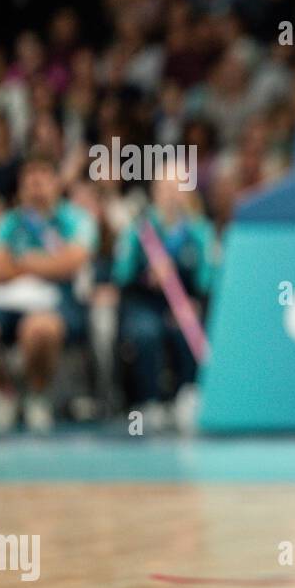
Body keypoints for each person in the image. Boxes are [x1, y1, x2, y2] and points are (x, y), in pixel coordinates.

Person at [0, 155, 97, 433]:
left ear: (56, 182)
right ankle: (3, 389)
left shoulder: (75, 219)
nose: (36, 183)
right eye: (29, 178)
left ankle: (36, 393)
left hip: (58, 298)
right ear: (20, 186)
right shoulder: (8, 222)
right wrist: (45, 263)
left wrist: (22, 262)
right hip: (8, 298)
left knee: (39, 329)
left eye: (43, 175)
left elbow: (72, 262)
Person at [112, 171, 217, 432]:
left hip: (185, 303)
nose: (171, 194)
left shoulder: (200, 231)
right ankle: (149, 401)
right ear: (155, 192)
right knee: (145, 333)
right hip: (145, 303)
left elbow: (208, 280)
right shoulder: (140, 230)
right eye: (165, 187)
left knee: (189, 328)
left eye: (177, 187)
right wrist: (147, 277)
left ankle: (187, 396)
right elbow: (121, 275)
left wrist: (193, 302)